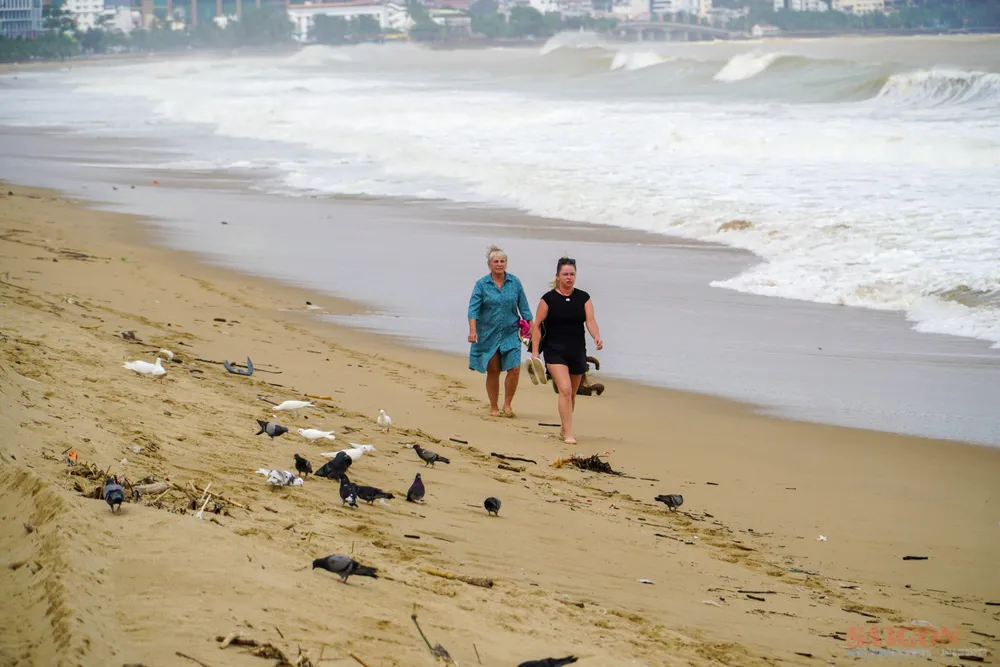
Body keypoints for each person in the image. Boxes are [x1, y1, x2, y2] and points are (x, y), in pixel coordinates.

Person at [530, 256, 603, 445]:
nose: (569, 277)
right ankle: (569, 433)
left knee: (571, 394)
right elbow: (536, 326)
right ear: (558, 276)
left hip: (577, 350)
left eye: (572, 274)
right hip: (554, 351)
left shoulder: (583, 297)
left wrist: (596, 336)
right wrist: (536, 352)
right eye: (565, 274)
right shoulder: (548, 299)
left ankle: (564, 428)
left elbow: (590, 320)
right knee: (564, 389)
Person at [468, 245, 534, 417]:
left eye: (502, 261)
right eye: (495, 261)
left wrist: (532, 327)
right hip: (488, 334)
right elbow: (473, 310)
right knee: (494, 370)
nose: (499, 264)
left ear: (506, 263)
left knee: (514, 369)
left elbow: (524, 307)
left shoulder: (515, 282)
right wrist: (472, 330)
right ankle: (493, 407)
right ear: (489, 265)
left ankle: (507, 404)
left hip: (511, 333)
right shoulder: (481, 285)